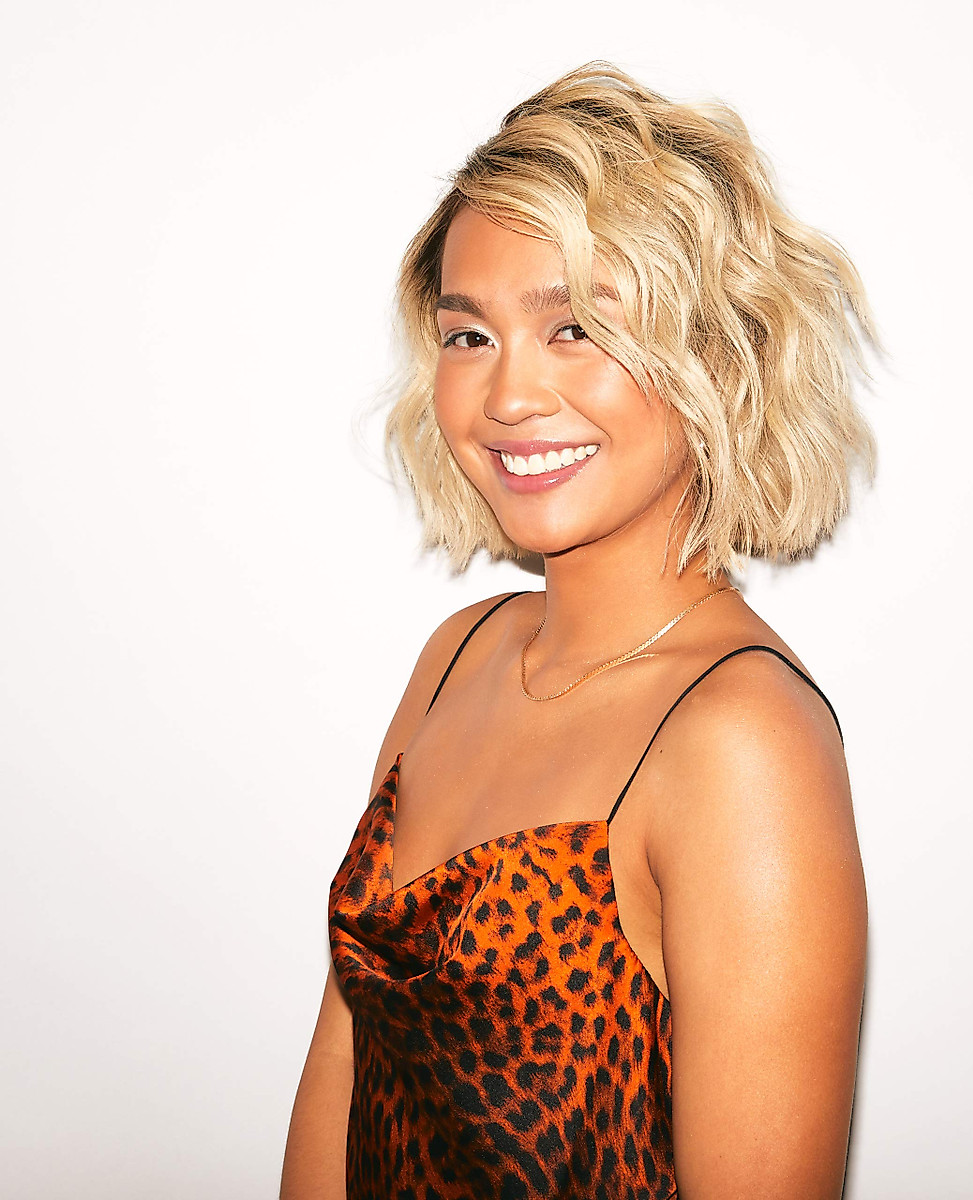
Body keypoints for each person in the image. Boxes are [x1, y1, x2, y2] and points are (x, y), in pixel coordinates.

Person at [281, 60, 874, 1200]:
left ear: (714, 356)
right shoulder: (458, 656)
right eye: (469, 337)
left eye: (573, 328)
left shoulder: (743, 744)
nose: (508, 397)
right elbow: (345, 1061)